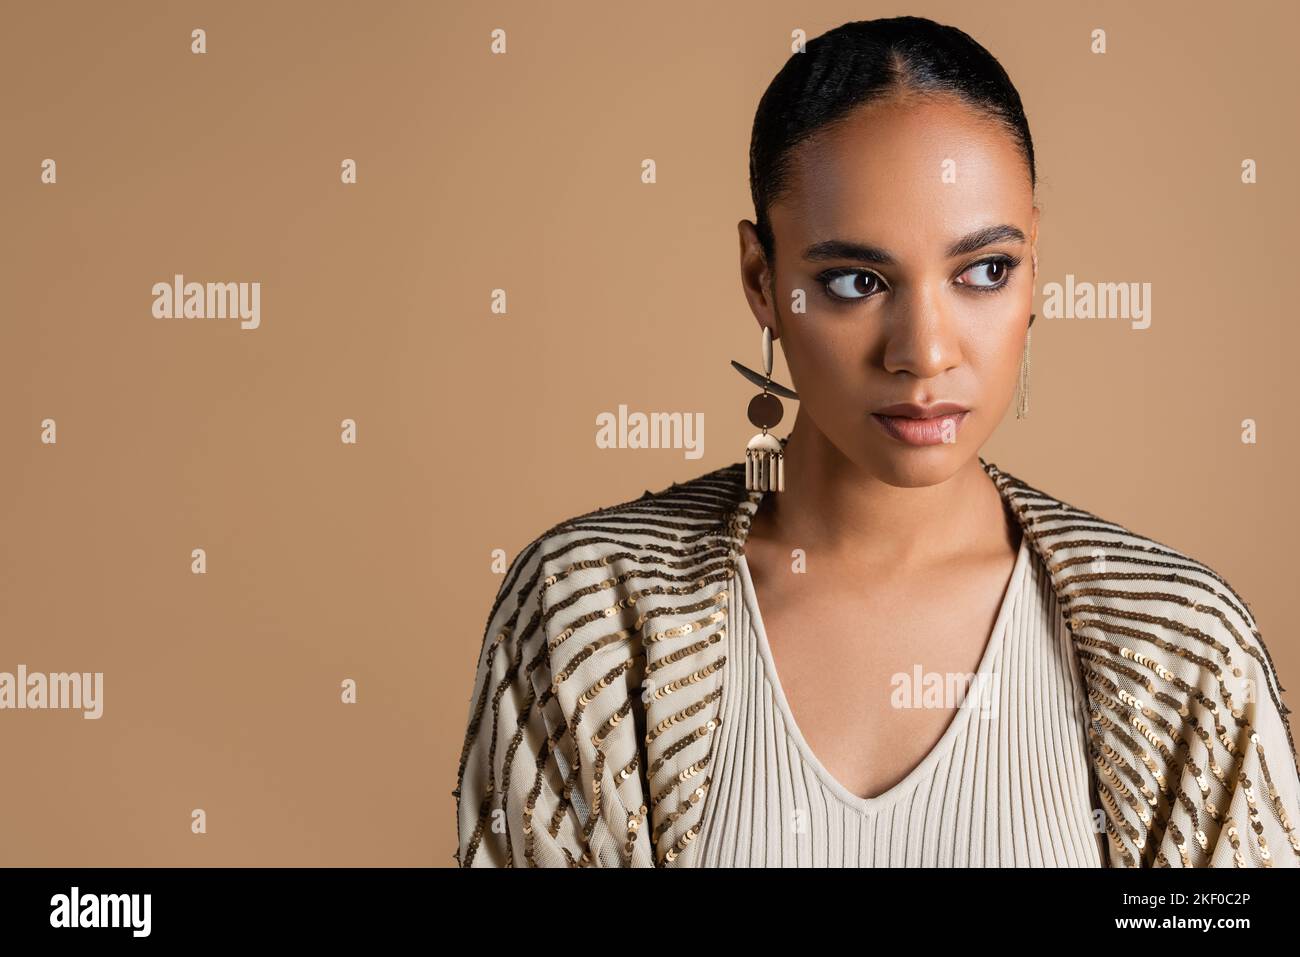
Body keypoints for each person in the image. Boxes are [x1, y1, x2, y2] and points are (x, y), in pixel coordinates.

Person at [453, 15, 1300, 867]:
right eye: (855, 281)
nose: (923, 351)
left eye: (985, 270)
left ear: (1035, 262)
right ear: (762, 280)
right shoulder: (588, 619)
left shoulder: (1182, 651)